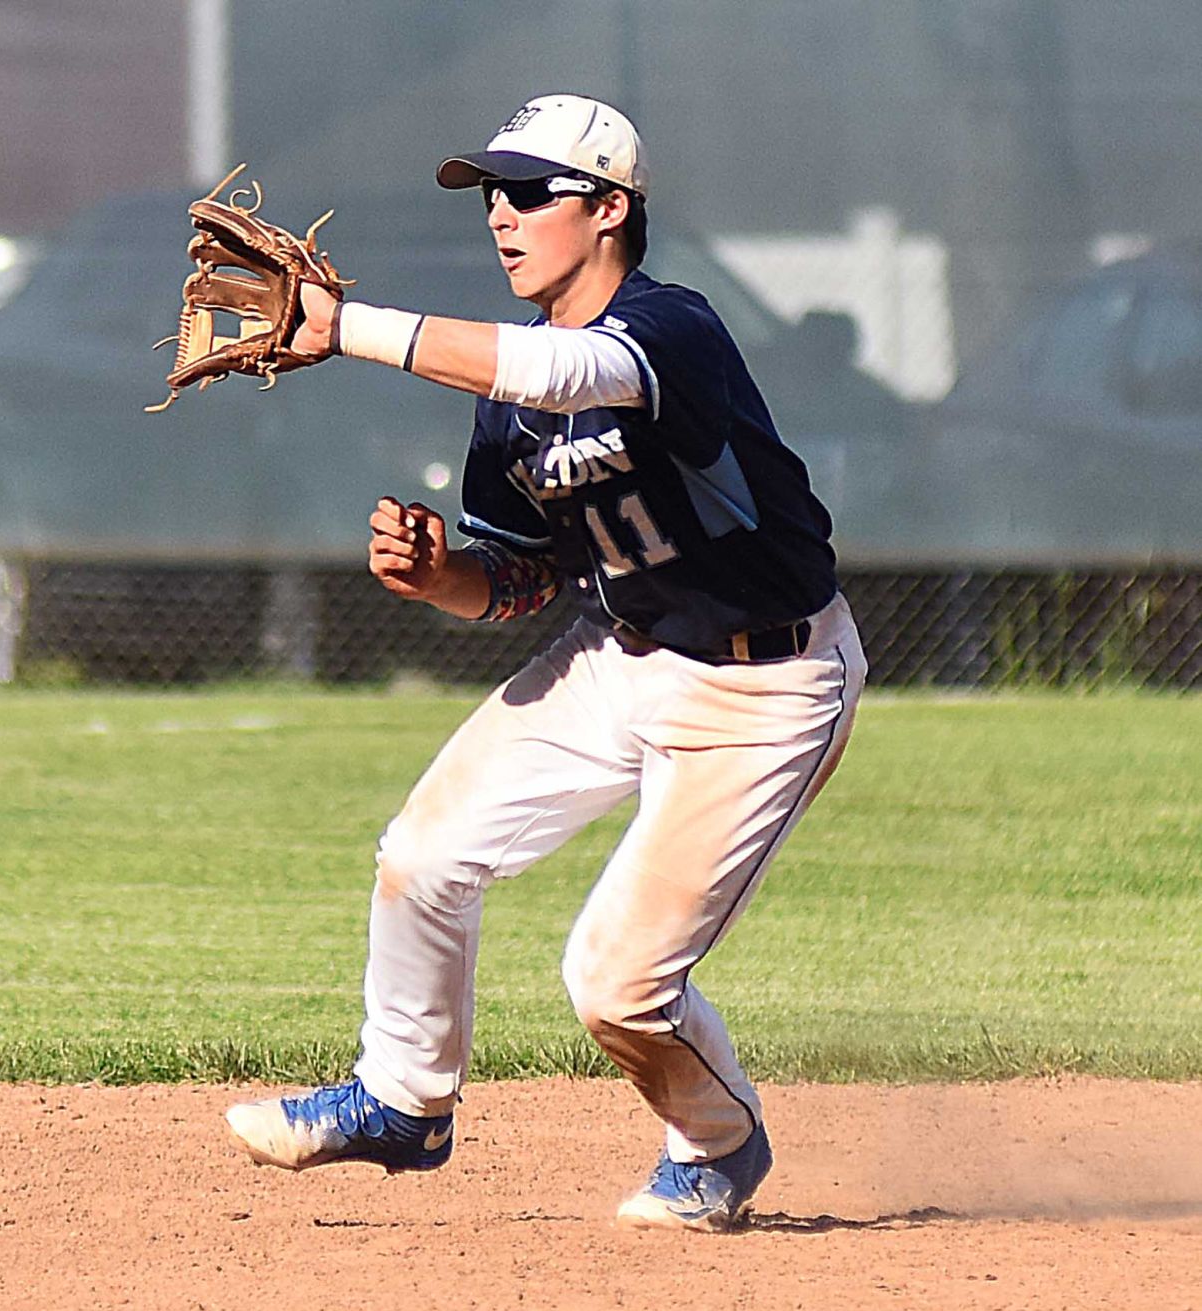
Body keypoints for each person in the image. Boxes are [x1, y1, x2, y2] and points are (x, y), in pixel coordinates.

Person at [224, 94, 867, 1232]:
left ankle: (719, 1143)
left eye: (527, 193)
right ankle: (402, 1099)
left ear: (610, 208)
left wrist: (349, 325)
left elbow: (570, 375)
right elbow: (524, 575)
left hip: (764, 685)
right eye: (490, 197)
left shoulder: (674, 330)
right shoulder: (506, 404)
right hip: (618, 651)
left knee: (617, 985)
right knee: (421, 858)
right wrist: (441, 575)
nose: (501, 218)